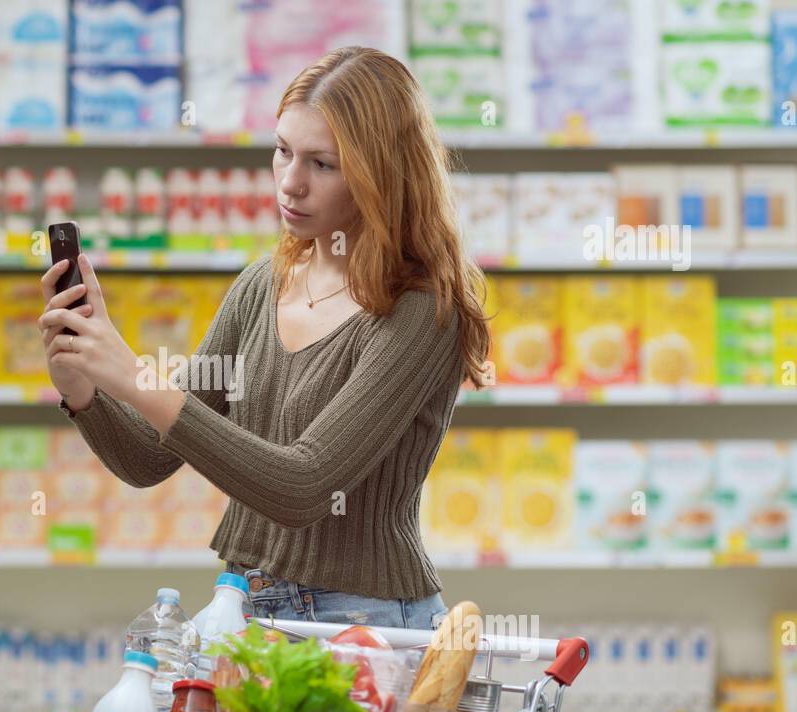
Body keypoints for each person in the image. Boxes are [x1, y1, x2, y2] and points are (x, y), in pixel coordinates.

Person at [37, 46, 491, 631]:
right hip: (245, 603)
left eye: (322, 164)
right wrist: (84, 390)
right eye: (282, 152)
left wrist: (133, 375)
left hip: (364, 622)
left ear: (381, 174)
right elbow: (149, 457)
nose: (291, 184)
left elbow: (301, 486)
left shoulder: (422, 313)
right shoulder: (262, 285)